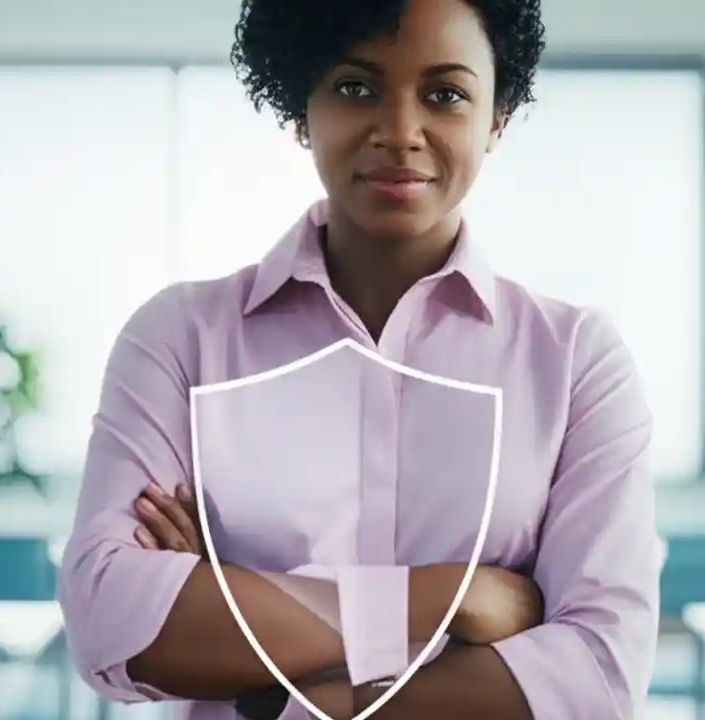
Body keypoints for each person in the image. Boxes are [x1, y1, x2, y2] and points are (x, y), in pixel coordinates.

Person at [56, 0, 661, 717]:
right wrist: (454, 599)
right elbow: (109, 620)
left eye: (445, 94)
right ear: (299, 107)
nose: (400, 132)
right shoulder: (179, 340)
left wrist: (266, 676)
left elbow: (599, 672)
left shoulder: (575, 362)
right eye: (354, 87)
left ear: (497, 116)